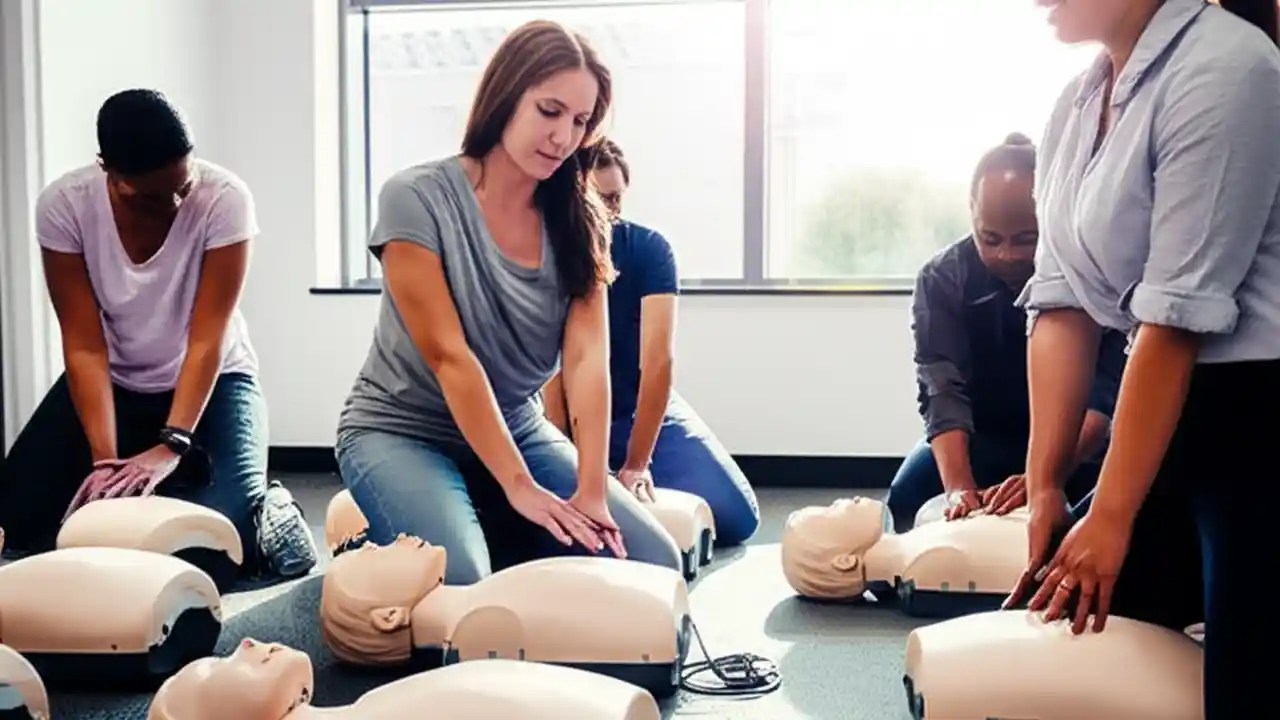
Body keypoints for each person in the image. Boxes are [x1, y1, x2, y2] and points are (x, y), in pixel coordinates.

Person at [1000, 1, 1280, 718]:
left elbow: (1176, 319)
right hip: (1168, 405)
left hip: (1258, 414)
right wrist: (1046, 491)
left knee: (1244, 684)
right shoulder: (1078, 101)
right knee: (1058, 621)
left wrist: (1115, 516)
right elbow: (1060, 305)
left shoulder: (1230, 68)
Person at [334, 20, 682, 586]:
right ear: (505, 95)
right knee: (468, 583)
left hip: (518, 425)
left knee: (652, 565)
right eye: (549, 111)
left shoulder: (582, 221)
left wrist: (592, 489)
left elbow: (588, 363)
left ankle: (485, 511)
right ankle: (402, 530)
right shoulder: (414, 198)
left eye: (580, 121)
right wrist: (519, 485)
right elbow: (451, 357)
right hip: (402, 428)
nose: (564, 137)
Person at [0, 89, 312, 579]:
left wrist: (172, 443)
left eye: (181, 187)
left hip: (216, 384)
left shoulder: (225, 200)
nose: (172, 204)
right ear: (107, 169)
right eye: (150, 195)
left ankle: (263, 505)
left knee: (215, 545)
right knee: (16, 517)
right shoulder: (64, 206)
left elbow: (207, 338)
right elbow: (83, 344)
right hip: (118, 383)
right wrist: (104, 461)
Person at [885, 133, 1126, 532]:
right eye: (990, 239)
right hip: (985, 438)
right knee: (909, 500)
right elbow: (942, 390)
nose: (1007, 255)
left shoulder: (1095, 272)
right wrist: (958, 490)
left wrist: (1044, 479)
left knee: (1120, 517)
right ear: (972, 216)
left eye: (1025, 240)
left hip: (1081, 445)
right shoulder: (942, 277)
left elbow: (1104, 398)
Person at [540, 139, 761, 547]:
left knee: (737, 518)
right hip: (566, 412)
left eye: (617, 198)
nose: (610, 212)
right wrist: (571, 457)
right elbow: (551, 370)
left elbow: (657, 362)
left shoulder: (649, 250)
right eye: (600, 199)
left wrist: (637, 465)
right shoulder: (549, 249)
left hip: (638, 405)